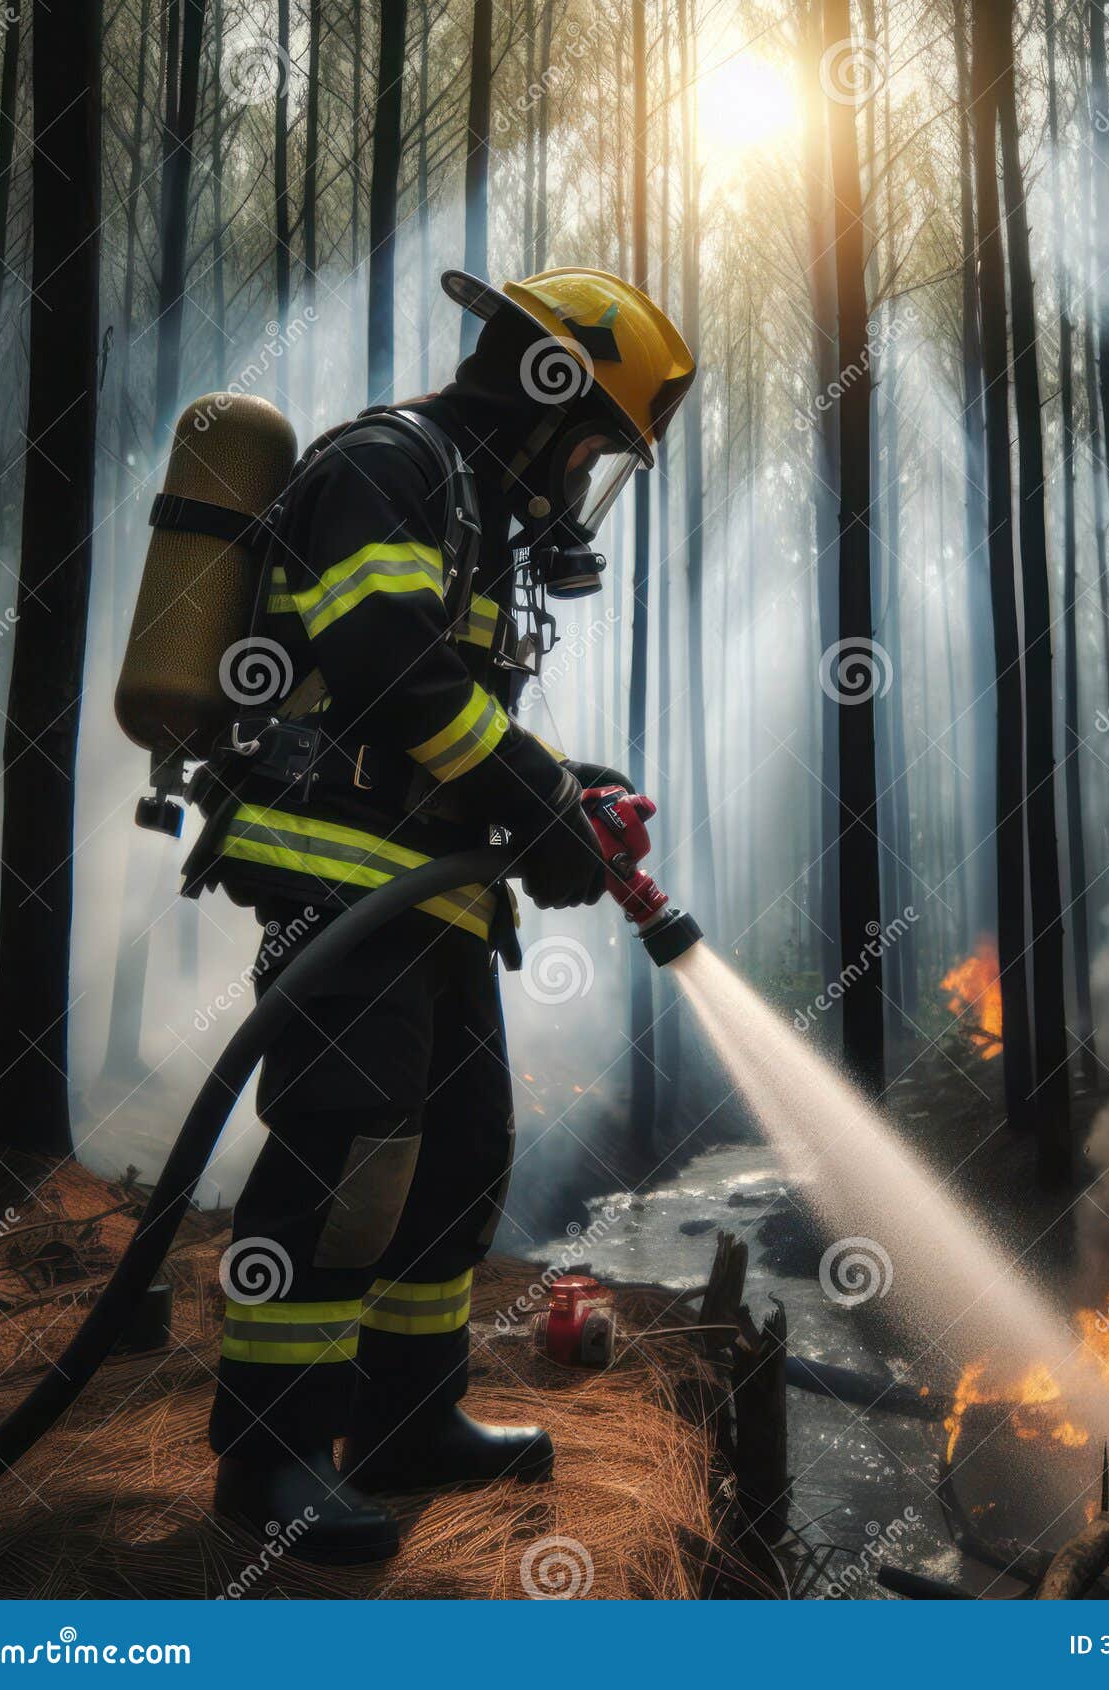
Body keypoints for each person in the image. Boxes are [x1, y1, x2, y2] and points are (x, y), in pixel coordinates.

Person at [192, 268, 695, 1562]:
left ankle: (407, 1415)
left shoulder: (469, 504)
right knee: (349, 1146)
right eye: (591, 442)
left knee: (463, 1146)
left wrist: (555, 792)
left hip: (427, 887)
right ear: (544, 395)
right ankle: (271, 1457)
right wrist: (536, 798)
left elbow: (448, 712)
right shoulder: (390, 467)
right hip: (339, 875)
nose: (583, 478)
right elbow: (386, 669)